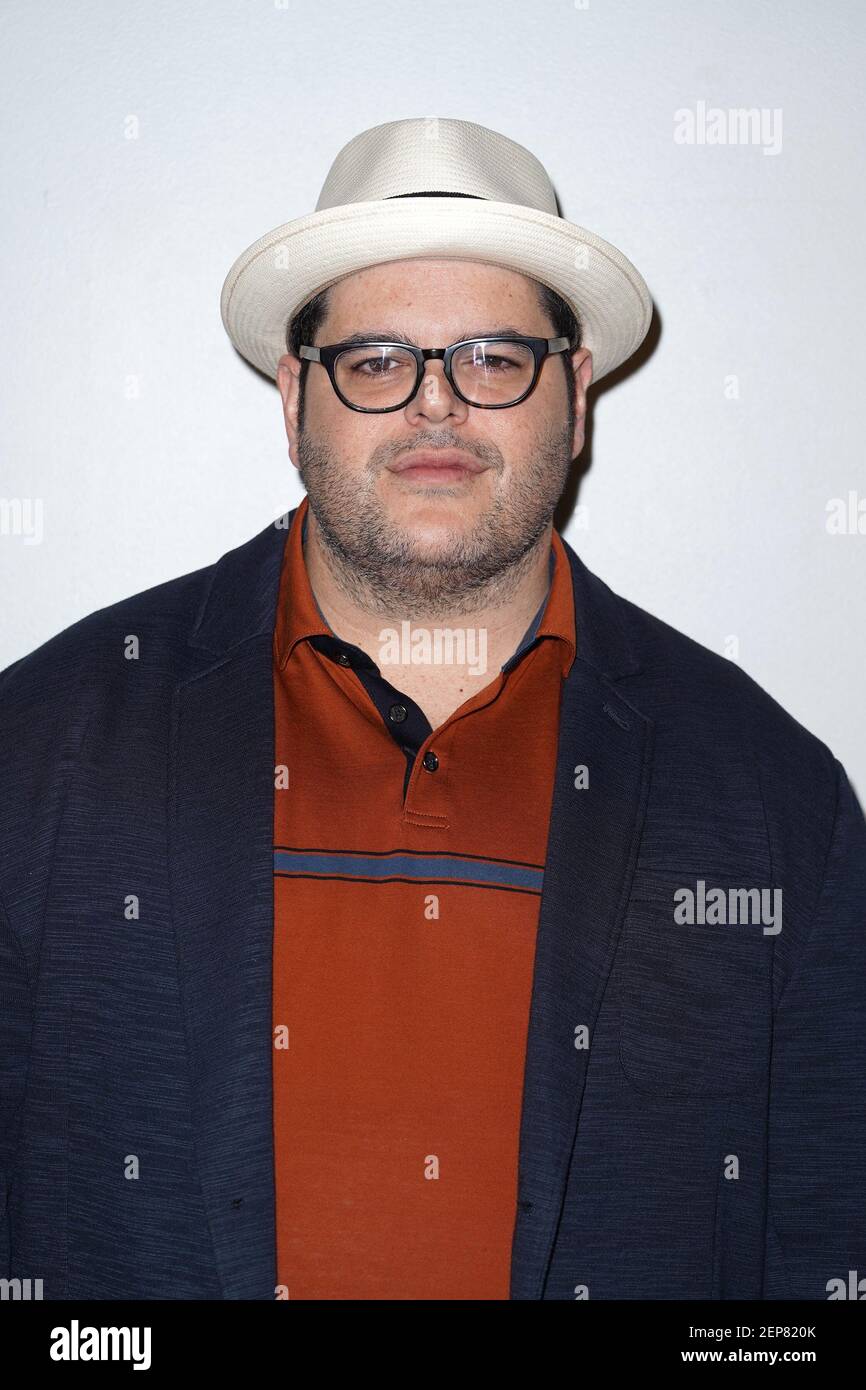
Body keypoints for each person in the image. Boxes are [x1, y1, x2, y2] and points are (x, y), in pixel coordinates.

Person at [1, 116, 863, 1301]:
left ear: (573, 393)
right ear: (294, 396)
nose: (436, 409)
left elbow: (821, 1241)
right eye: (375, 361)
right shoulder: (43, 743)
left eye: (493, 357)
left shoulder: (769, 794)